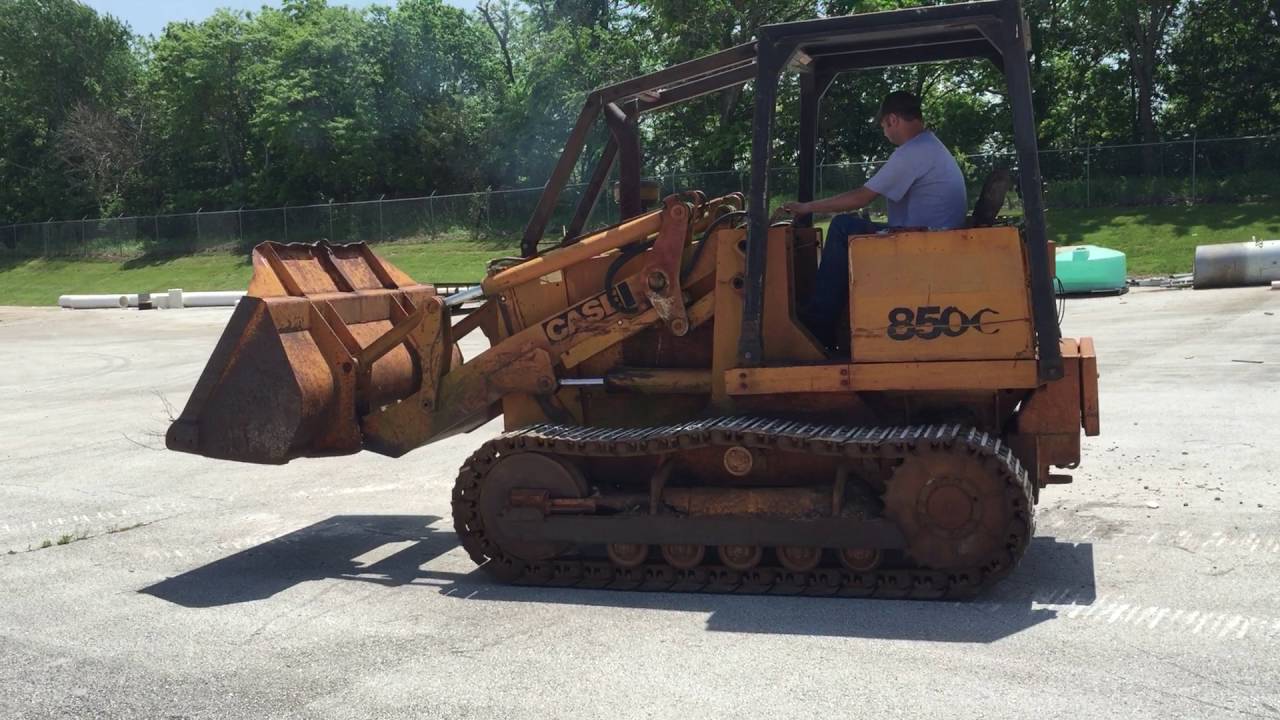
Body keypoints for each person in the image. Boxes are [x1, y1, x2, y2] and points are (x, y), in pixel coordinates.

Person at [782, 91, 968, 349]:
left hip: (923, 245)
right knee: (855, 225)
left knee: (842, 227)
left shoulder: (913, 153)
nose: (885, 132)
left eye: (883, 126)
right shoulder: (930, 147)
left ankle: (818, 325)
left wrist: (806, 207)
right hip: (929, 237)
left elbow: (862, 197)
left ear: (892, 120)